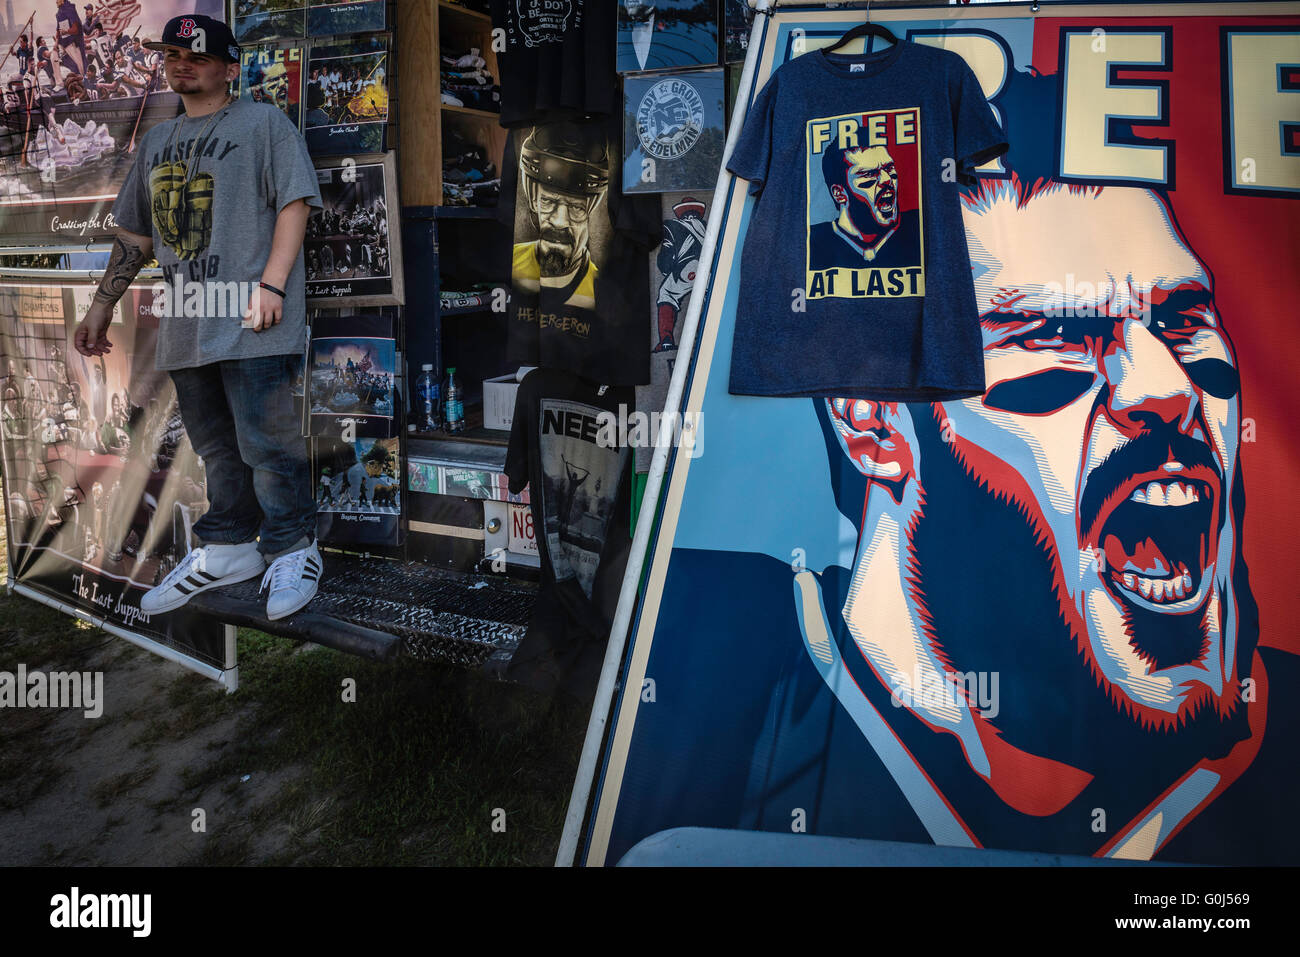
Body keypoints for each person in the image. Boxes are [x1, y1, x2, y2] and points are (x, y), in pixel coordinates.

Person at [73, 13, 324, 622]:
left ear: (230, 67)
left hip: (253, 318)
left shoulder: (263, 122)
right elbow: (135, 233)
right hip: (189, 320)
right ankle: (231, 547)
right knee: (216, 449)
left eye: (196, 55)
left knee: (269, 444)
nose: (180, 63)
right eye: (172, 55)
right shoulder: (157, 140)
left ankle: (295, 548)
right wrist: (103, 304)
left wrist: (272, 283)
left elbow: (295, 202)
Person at [512, 121, 607, 304]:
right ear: (534, 200)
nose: (560, 221)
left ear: (590, 211)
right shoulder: (512, 265)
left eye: (577, 208)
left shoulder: (602, 289)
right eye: (548, 201)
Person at [808, 142, 920, 269]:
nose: (887, 179)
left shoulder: (918, 227)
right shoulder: (813, 242)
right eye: (869, 174)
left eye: (889, 169)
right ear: (839, 194)